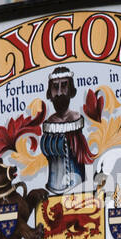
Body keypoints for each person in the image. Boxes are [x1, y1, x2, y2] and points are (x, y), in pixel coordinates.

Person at [41, 65, 95, 193]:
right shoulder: (49, 124)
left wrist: (89, 185)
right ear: (50, 92)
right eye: (55, 87)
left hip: (77, 187)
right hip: (52, 189)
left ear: (71, 90)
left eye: (64, 86)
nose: (59, 93)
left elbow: (85, 156)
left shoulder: (75, 121)